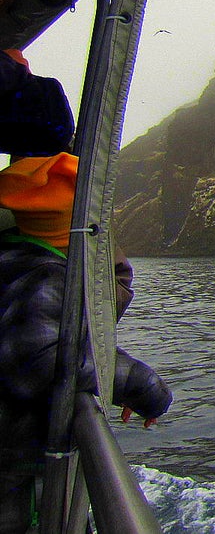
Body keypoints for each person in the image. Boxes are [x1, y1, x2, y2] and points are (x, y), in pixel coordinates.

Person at [0, 152, 171, 534]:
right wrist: (141, 386)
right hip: (17, 496)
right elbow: (43, 356)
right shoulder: (47, 278)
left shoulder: (13, 257)